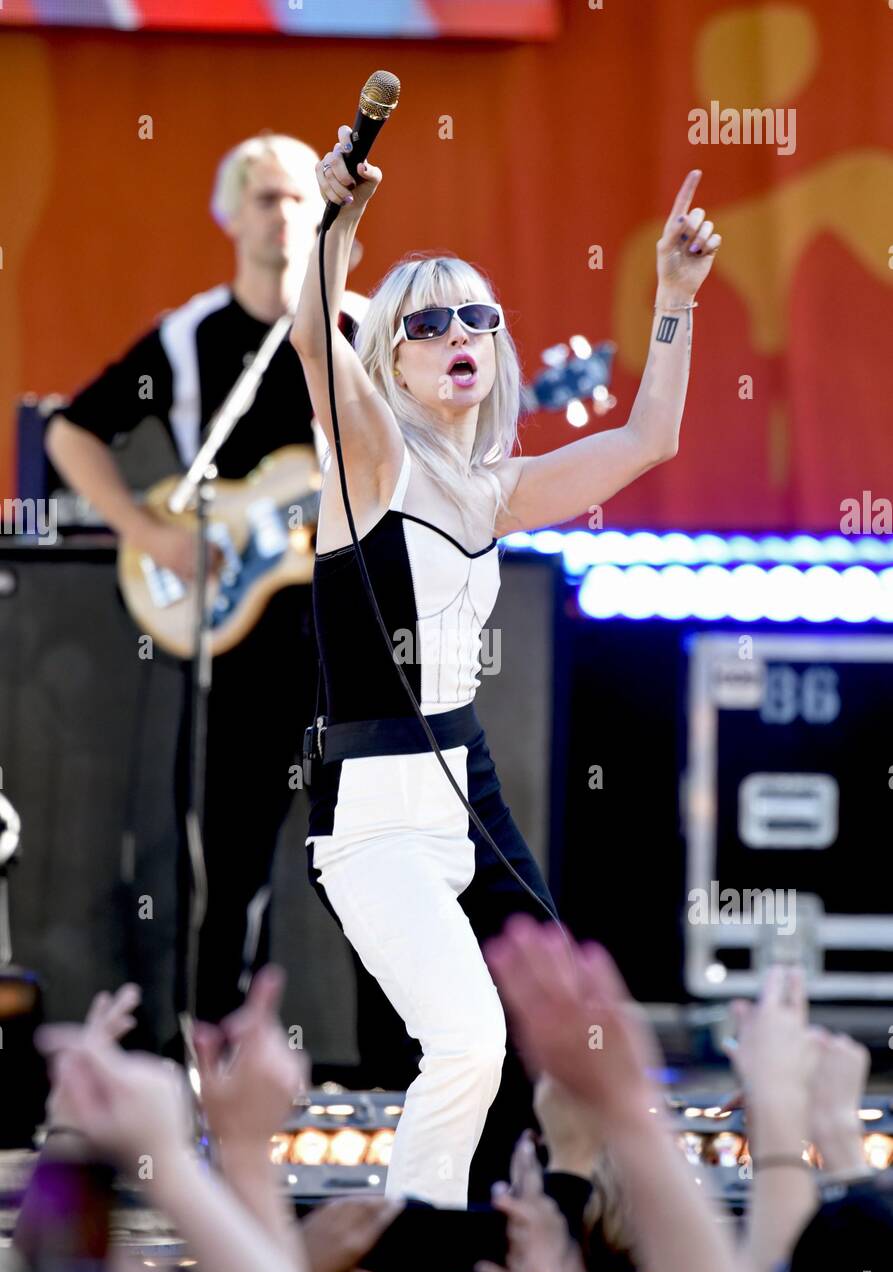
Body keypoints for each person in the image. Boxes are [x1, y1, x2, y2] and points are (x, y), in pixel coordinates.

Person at [290, 123, 723, 1208]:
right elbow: (310, 340)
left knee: (574, 1026)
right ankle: (408, 1253)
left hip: (464, 790)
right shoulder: (372, 461)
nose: (454, 334)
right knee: (469, 1041)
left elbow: (648, 440)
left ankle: (533, 1237)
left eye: (474, 314)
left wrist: (675, 292)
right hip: (376, 813)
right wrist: (332, 224)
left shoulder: (495, 487)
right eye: (424, 323)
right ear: (389, 355)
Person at [44, 134, 363, 1039]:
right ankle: (220, 1067)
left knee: (371, 852)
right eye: (263, 198)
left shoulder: (359, 327)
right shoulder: (187, 341)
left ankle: (402, 1085)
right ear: (230, 215)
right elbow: (72, 429)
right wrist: (146, 530)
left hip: (348, 627)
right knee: (228, 862)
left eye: (299, 198)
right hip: (236, 642)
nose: (283, 215)